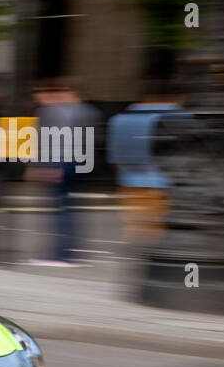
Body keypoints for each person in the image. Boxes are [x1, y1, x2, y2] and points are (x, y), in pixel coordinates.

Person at [28, 79, 100, 266]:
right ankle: (67, 251)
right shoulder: (87, 111)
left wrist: (46, 167)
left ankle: (61, 253)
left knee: (61, 210)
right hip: (78, 164)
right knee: (67, 208)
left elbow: (52, 142)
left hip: (61, 164)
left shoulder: (52, 111)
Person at [107, 87, 185, 243]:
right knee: (156, 223)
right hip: (162, 180)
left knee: (135, 221)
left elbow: (114, 155)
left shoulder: (118, 119)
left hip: (128, 179)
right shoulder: (178, 117)